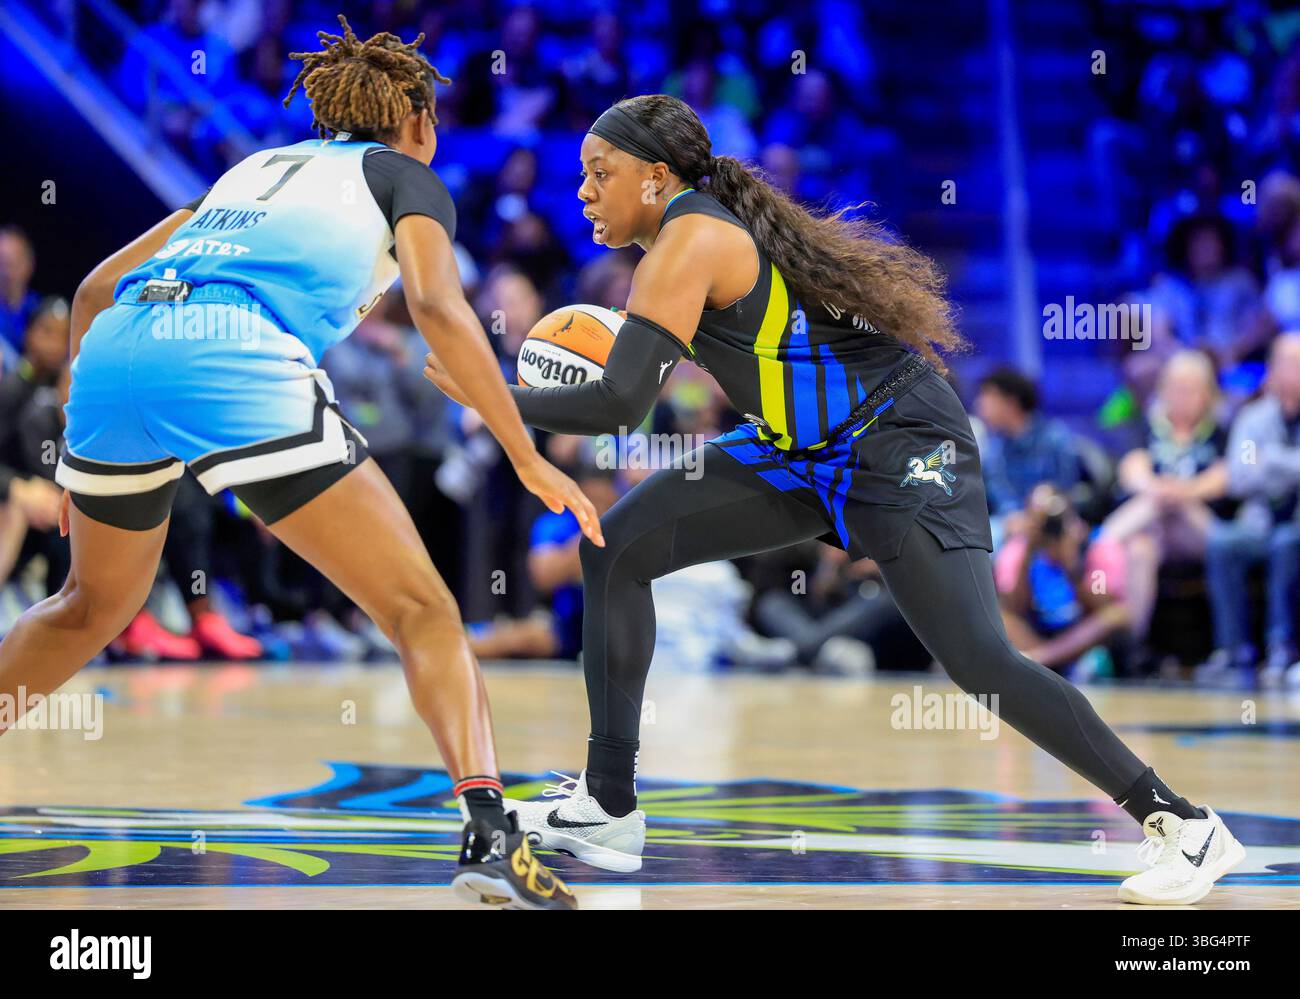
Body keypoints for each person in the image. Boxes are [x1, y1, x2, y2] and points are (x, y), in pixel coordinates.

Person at [425, 93, 1246, 904]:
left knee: (980, 662)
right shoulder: (679, 244)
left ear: (656, 176)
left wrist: (486, 391)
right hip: (800, 447)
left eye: (600, 172)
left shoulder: (690, 239)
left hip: (898, 440)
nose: (583, 191)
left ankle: (1183, 823)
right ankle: (608, 806)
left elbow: (617, 403)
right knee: (616, 544)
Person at [0, 16, 599, 911]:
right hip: (231, 351)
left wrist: (81, 451)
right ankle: (489, 834)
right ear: (419, 122)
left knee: (88, 605)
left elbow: (91, 292)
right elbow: (440, 306)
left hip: (120, 346)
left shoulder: (251, 170)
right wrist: (526, 454)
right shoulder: (405, 175)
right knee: (422, 609)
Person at [1201, 332, 1300, 686]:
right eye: (1287, 364)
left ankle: (1281, 648)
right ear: (1271, 369)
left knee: (1288, 543)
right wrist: (1288, 468)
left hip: (1295, 526)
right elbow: (1239, 478)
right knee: (1222, 542)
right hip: (1258, 523)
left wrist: (1269, 460)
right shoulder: (1253, 418)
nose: (1293, 372)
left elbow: (1258, 467)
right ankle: (1232, 649)